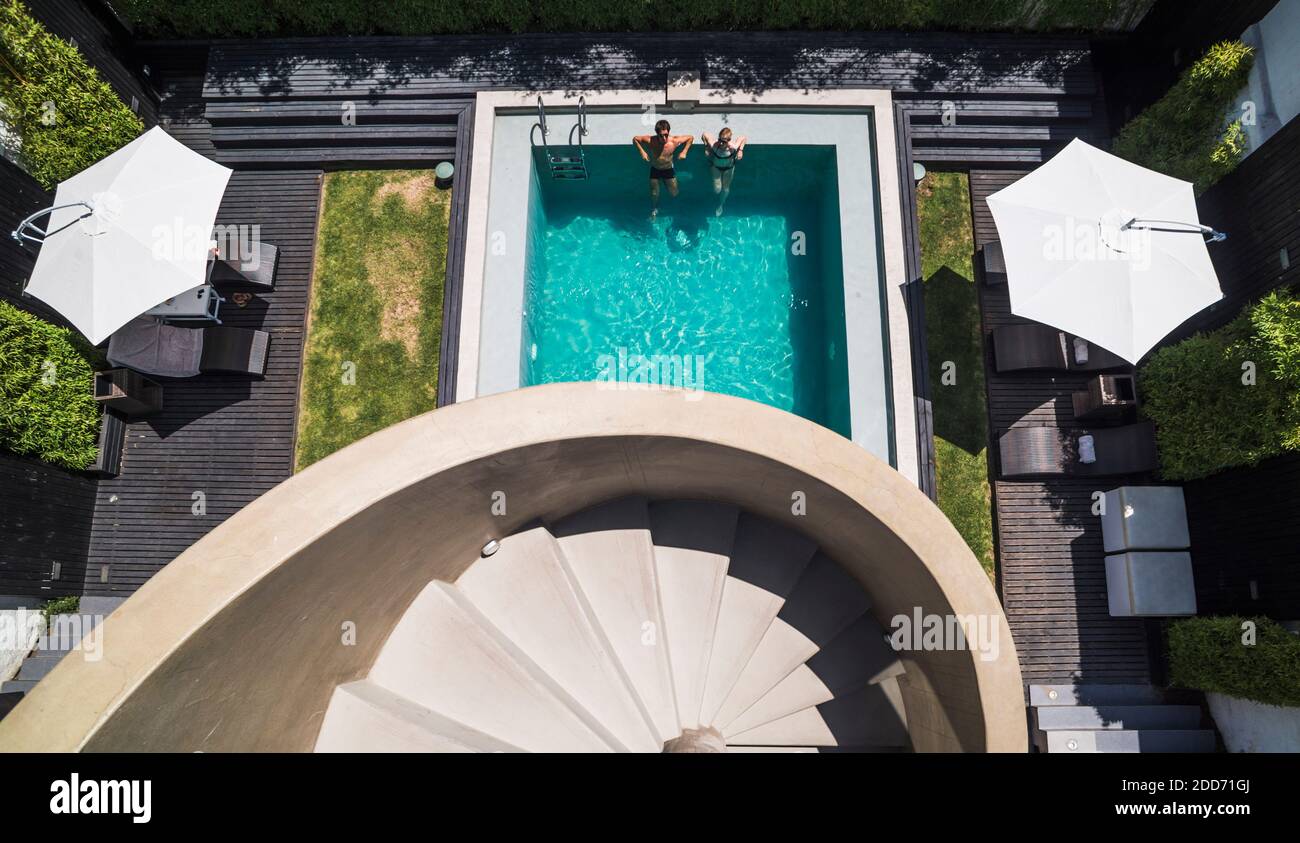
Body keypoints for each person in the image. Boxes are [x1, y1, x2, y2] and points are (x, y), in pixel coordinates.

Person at [633, 120, 693, 217]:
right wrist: (642, 152)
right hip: (655, 169)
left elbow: (690, 138)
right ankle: (654, 208)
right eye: (661, 135)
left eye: (666, 134)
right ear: (657, 134)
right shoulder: (650, 140)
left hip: (668, 169)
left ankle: (675, 179)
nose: (664, 138)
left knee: (674, 193)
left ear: (668, 132)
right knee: (654, 193)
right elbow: (635, 139)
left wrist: (684, 152)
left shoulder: (674, 141)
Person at [702, 127, 746, 216]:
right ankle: (715, 198)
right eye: (720, 139)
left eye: (724, 141)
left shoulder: (733, 147)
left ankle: (721, 205)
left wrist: (740, 150)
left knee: (725, 189)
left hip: (729, 169)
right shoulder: (715, 145)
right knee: (717, 190)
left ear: (729, 140)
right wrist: (706, 146)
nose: (721, 143)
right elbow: (704, 134)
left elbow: (743, 138)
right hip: (716, 168)